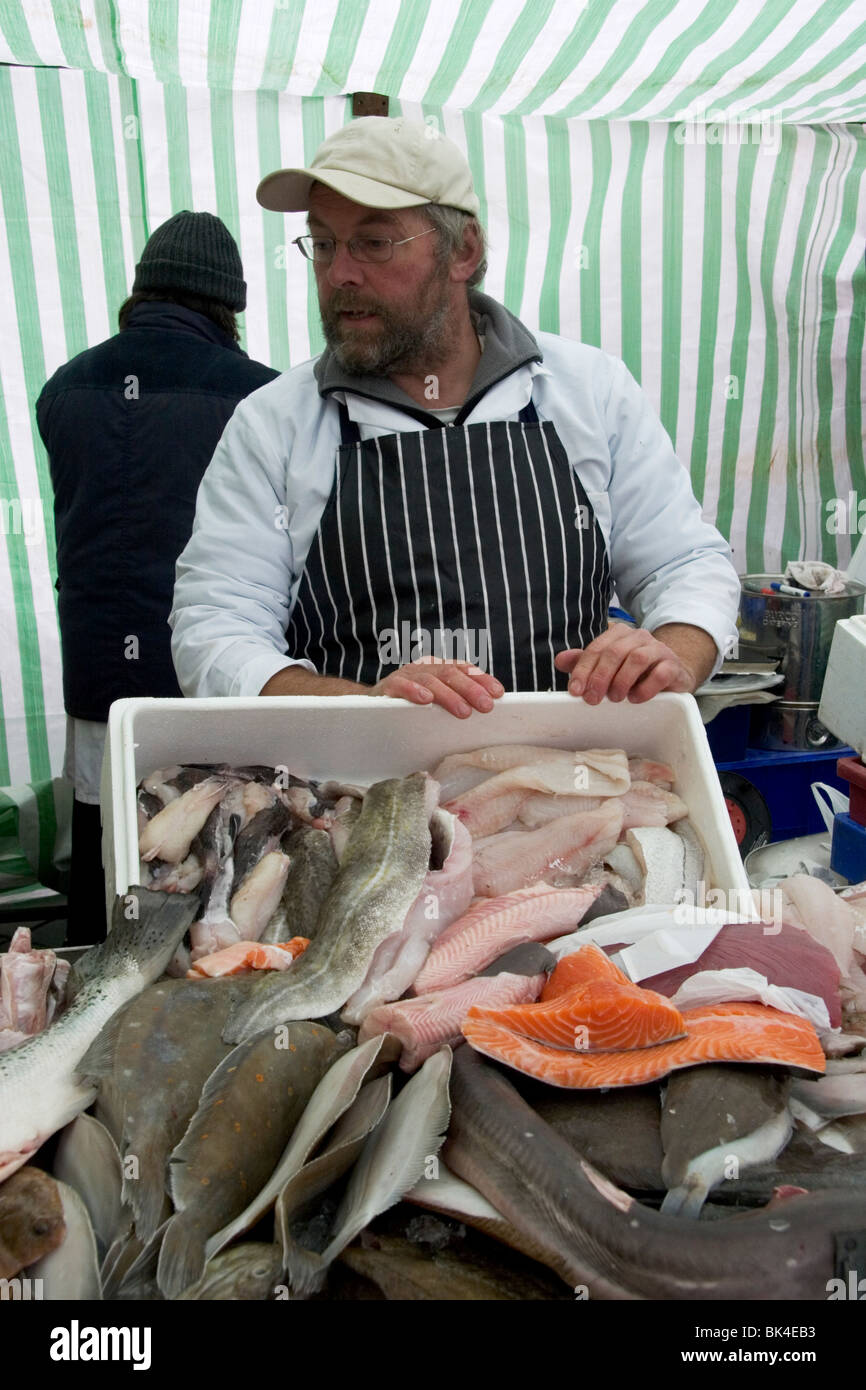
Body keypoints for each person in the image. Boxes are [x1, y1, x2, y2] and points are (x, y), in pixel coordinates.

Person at [170, 118, 740, 721]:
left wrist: (671, 652)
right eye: (325, 243)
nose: (340, 274)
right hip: (360, 792)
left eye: (373, 242)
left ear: (463, 250)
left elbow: (684, 563)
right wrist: (365, 708)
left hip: (564, 782)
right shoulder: (273, 423)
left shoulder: (588, 390)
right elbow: (216, 626)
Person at [37, 211, 278, 942]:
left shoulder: (65, 388)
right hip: (213, 664)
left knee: (105, 833)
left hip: (100, 663)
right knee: (216, 840)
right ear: (228, 305)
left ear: (141, 291)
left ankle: (86, 977)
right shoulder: (262, 396)